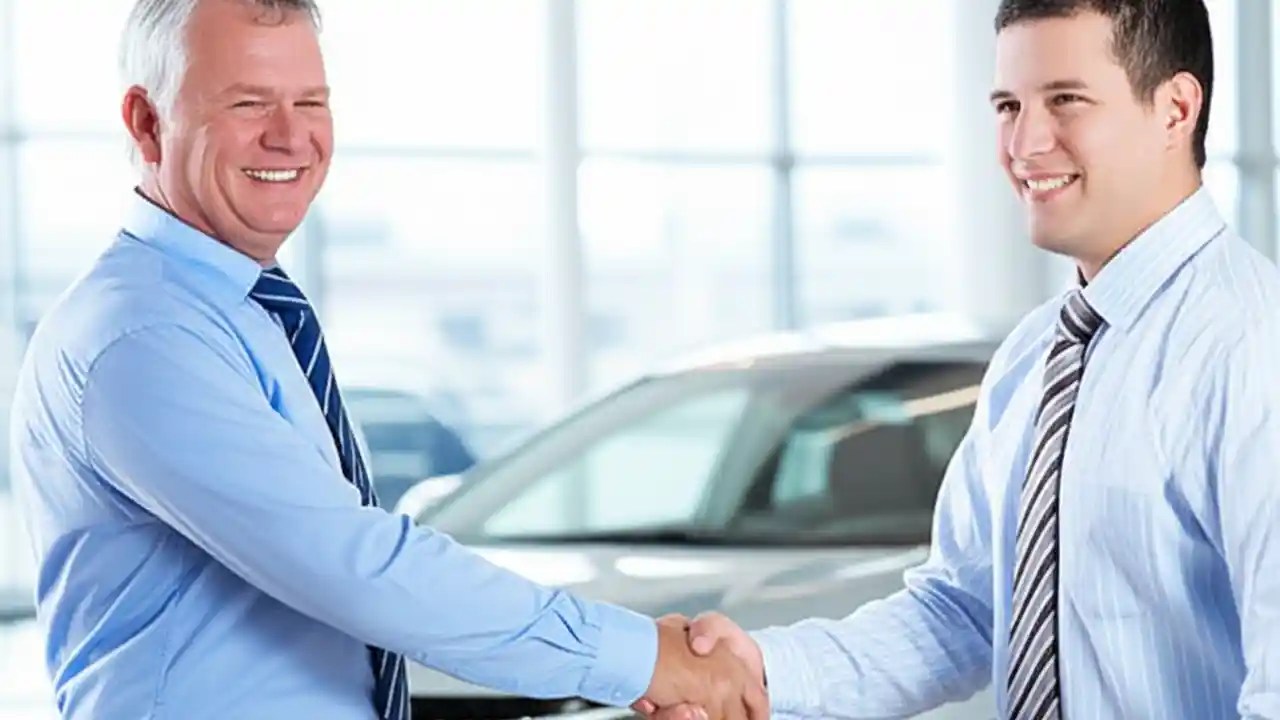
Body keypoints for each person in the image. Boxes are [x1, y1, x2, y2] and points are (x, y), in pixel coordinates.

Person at [7, 1, 767, 719]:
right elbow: (357, 565)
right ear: (146, 122)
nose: (290, 135)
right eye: (248, 104)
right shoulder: (143, 335)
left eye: (311, 102)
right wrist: (644, 658)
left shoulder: (243, 312)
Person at [638, 1, 1280, 718]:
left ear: (1174, 110)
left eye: (1066, 100)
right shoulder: (1036, 357)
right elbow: (961, 611)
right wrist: (762, 669)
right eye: (1008, 105)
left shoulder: (1251, 346)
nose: (1026, 142)